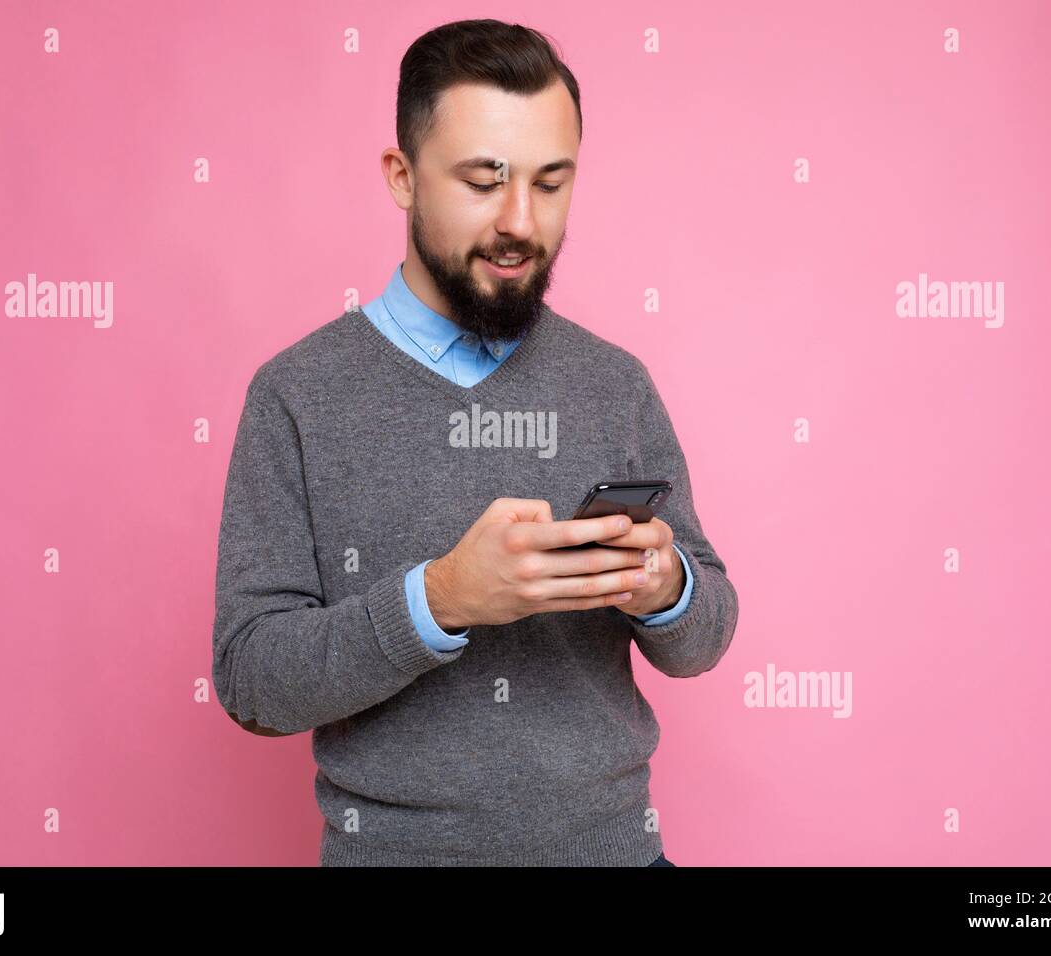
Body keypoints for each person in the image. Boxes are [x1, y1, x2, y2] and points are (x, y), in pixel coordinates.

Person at [212, 18, 738, 867]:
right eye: (483, 182)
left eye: (550, 183)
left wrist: (662, 581)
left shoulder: (616, 384)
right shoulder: (295, 396)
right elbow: (252, 679)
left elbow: (705, 634)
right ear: (402, 176)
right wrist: (442, 599)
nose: (520, 223)